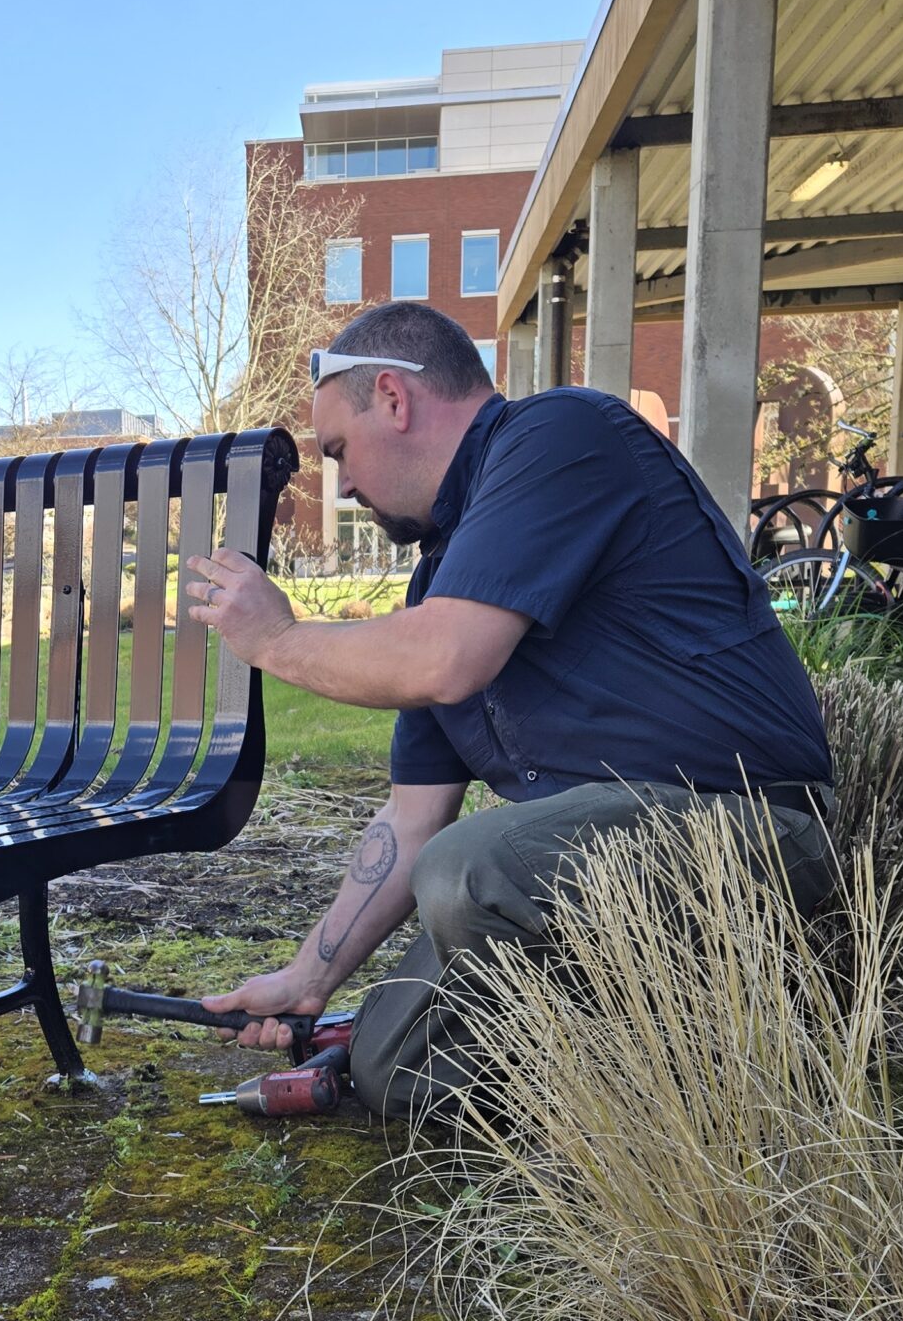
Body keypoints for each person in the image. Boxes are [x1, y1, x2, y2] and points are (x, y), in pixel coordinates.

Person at [184, 301, 835, 1118]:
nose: (342, 482)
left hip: (748, 839)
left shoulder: (561, 434)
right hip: (598, 873)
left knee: (467, 871)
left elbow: (446, 661)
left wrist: (275, 639)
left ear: (393, 397)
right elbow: (409, 817)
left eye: (339, 450)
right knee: (396, 1065)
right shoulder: (443, 577)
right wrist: (308, 978)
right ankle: (622, 1069)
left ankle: (714, 1081)